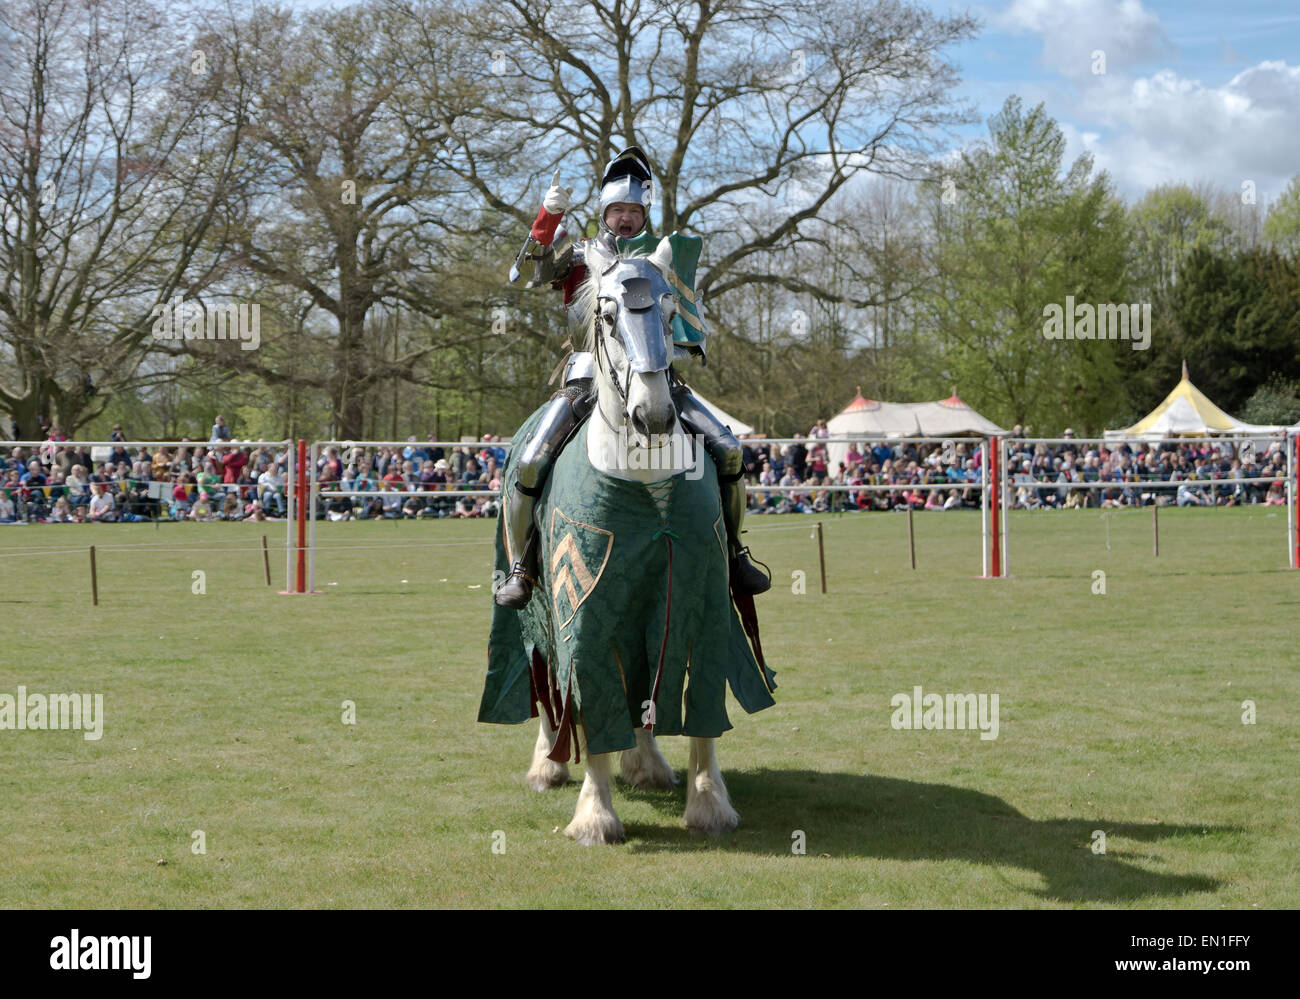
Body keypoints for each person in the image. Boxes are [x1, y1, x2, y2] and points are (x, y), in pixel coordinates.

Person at [495, 145, 770, 607]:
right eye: (617, 210)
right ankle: (523, 566)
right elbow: (529, 272)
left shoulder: (662, 259)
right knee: (531, 461)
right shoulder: (580, 254)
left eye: (634, 210)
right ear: (604, 211)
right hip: (587, 377)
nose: (625, 219)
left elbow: (685, 321)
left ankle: (736, 553)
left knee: (728, 449)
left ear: (645, 213)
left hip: (655, 378)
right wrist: (547, 217)